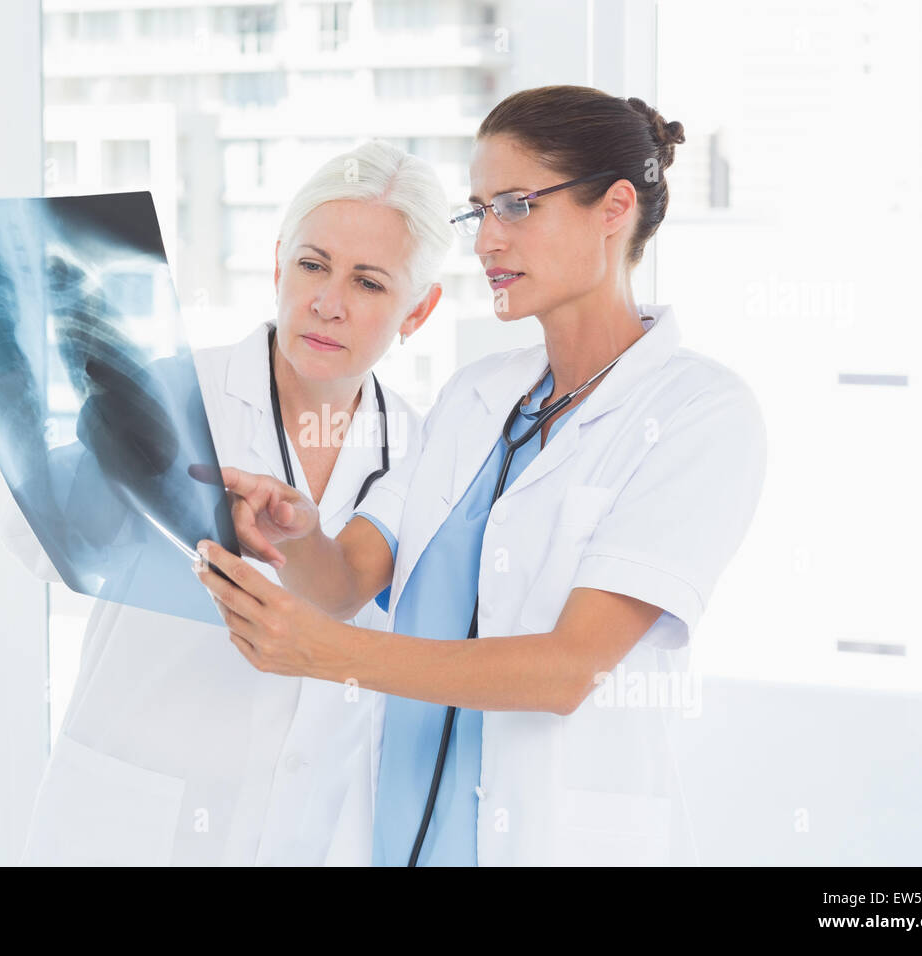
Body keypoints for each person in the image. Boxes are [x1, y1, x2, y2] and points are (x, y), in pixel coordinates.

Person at [194, 85, 769, 866]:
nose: (487, 241)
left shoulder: (700, 412)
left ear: (615, 207)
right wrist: (293, 531)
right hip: (399, 840)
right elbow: (348, 579)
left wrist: (327, 654)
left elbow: (568, 667)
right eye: (480, 211)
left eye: (517, 206)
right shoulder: (476, 397)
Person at [4, 139, 450, 865]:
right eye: (312, 264)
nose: (327, 303)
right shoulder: (177, 395)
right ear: (278, 264)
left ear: (419, 310)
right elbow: (41, 540)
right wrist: (107, 462)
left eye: (369, 283)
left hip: (310, 834)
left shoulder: (424, 449)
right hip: (134, 824)